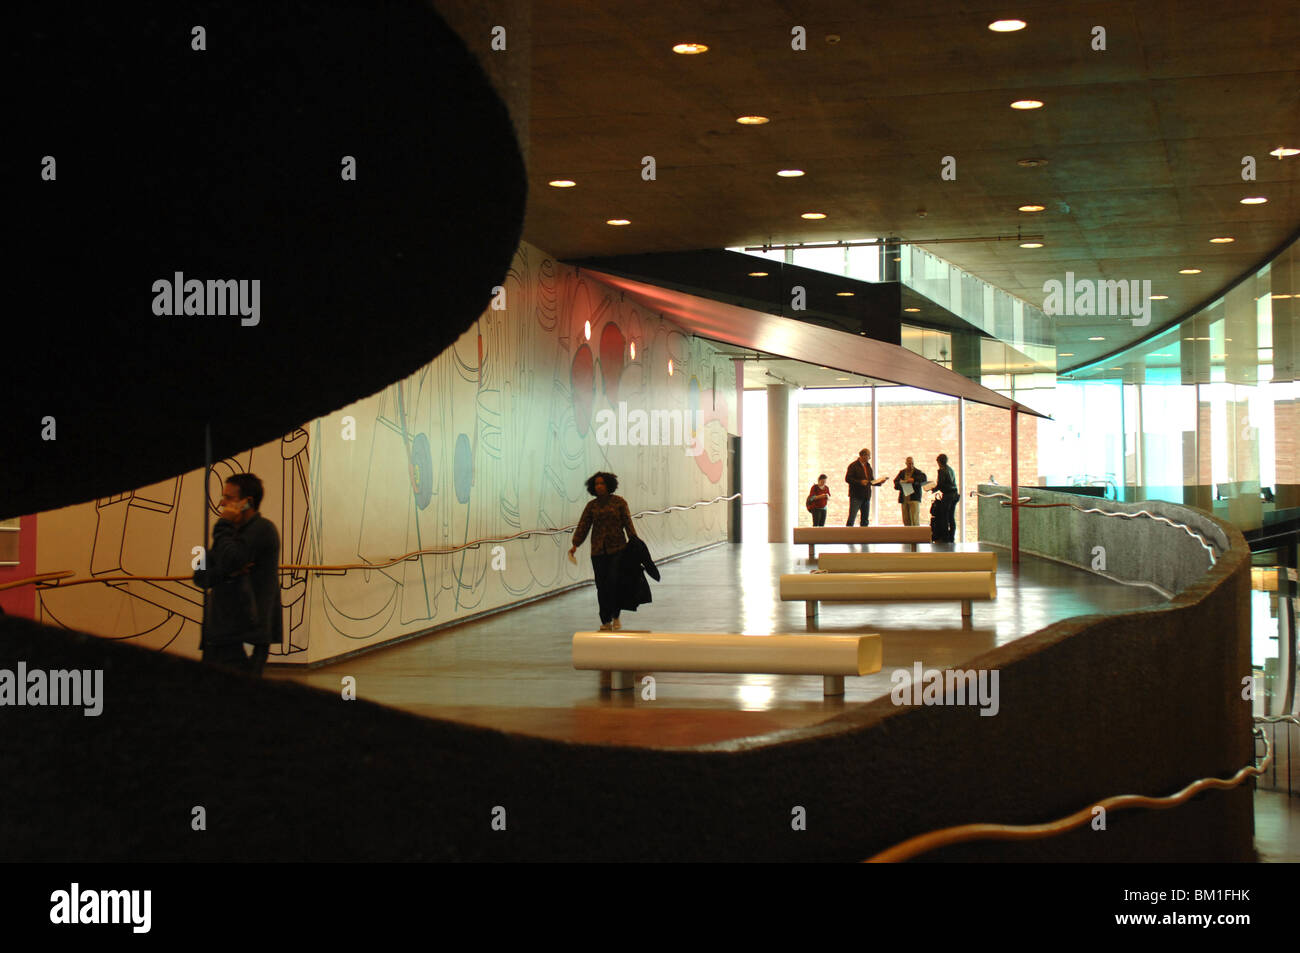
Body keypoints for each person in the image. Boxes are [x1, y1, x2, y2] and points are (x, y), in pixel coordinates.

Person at [193, 473, 281, 675]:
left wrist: (222, 527)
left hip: (247, 633)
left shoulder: (263, 529)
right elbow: (200, 575)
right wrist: (228, 571)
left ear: (247, 502)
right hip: (219, 633)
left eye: (229, 498)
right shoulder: (229, 534)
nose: (222, 502)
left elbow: (234, 559)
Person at [569, 471, 638, 631]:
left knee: (614, 582)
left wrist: (634, 540)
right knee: (602, 586)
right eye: (596, 484)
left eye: (602, 483)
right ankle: (605, 620)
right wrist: (575, 544)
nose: (599, 486)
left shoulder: (619, 502)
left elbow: (628, 523)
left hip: (618, 548)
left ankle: (616, 615)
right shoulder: (591, 506)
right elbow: (583, 526)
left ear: (609, 485)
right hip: (598, 551)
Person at [844, 448, 887, 526]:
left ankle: (864, 536)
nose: (869, 458)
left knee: (865, 519)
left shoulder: (868, 466)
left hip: (866, 496)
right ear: (863, 455)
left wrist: (879, 482)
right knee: (852, 517)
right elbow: (848, 479)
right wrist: (860, 482)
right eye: (868, 456)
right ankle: (848, 535)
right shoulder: (853, 466)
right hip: (856, 496)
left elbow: (871, 481)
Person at [926, 454, 960, 543]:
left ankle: (945, 537)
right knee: (951, 517)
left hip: (948, 496)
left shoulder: (942, 471)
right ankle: (952, 537)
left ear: (939, 462)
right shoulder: (950, 469)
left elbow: (940, 484)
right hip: (955, 494)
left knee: (944, 517)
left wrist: (932, 488)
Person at [893, 456, 927, 526]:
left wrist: (914, 480)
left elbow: (923, 479)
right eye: (909, 464)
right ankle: (907, 535)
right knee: (906, 519)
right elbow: (895, 482)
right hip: (904, 498)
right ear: (906, 463)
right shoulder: (902, 472)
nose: (911, 465)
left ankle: (916, 535)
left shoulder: (917, 472)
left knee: (914, 519)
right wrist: (901, 483)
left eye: (912, 463)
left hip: (914, 497)